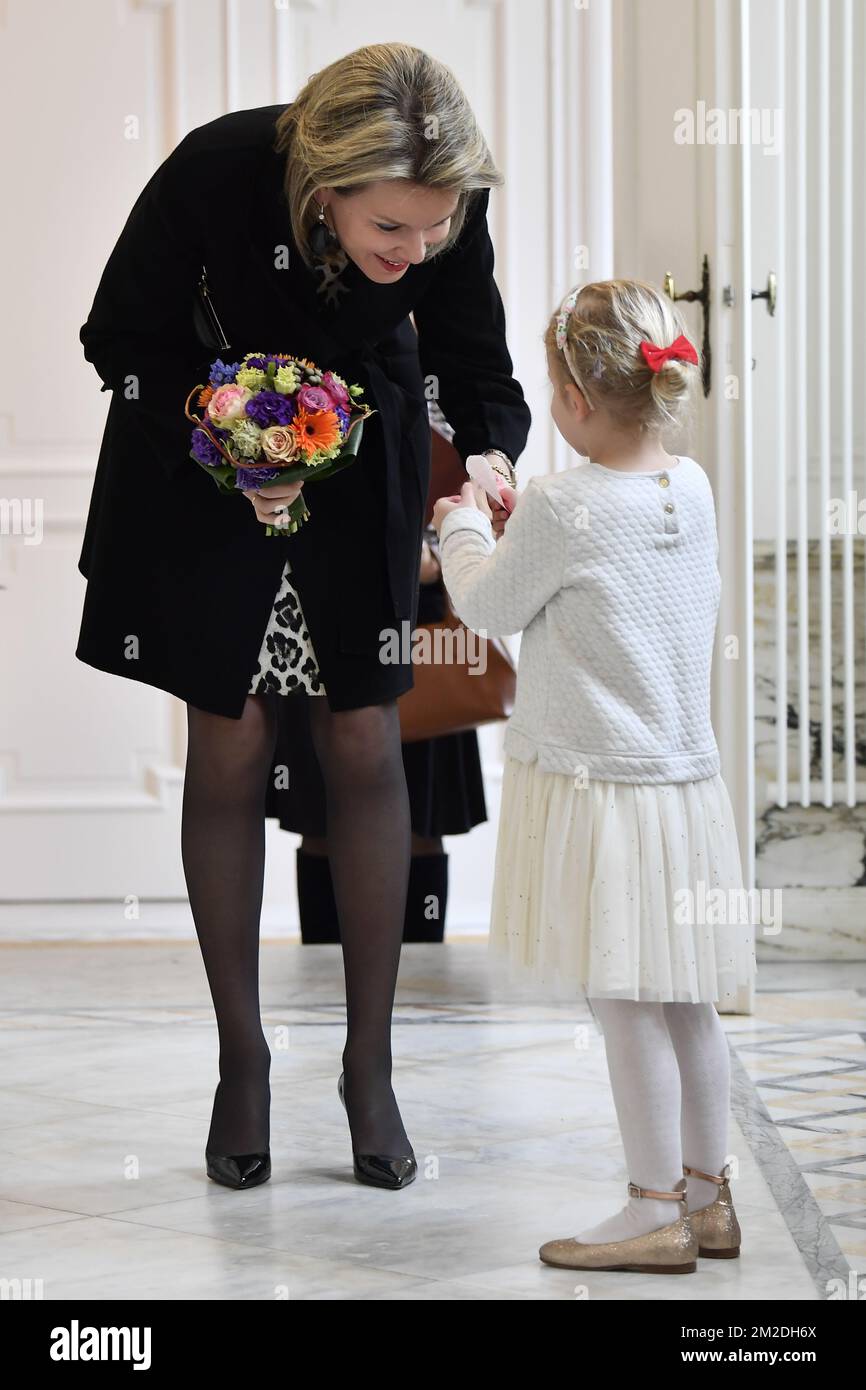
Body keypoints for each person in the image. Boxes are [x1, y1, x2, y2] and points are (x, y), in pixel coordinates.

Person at [75, 42, 529, 1193]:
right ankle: (242, 1063)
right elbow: (118, 336)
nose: (414, 251)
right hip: (204, 476)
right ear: (326, 188)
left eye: (432, 232)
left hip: (359, 475)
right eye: (391, 231)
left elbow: (477, 363)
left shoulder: (443, 212)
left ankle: (367, 1071)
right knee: (226, 742)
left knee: (362, 738)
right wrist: (220, 431)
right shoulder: (217, 167)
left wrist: (484, 458)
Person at [432, 279, 757, 1271]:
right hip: (681, 783)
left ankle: (650, 1208)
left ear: (570, 398)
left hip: (600, 788)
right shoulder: (688, 484)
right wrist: (524, 516)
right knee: (684, 998)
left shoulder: (564, 507)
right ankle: (708, 1196)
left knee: (621, 1002)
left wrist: (460, 523)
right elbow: (600, 553)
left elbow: (486, 605)